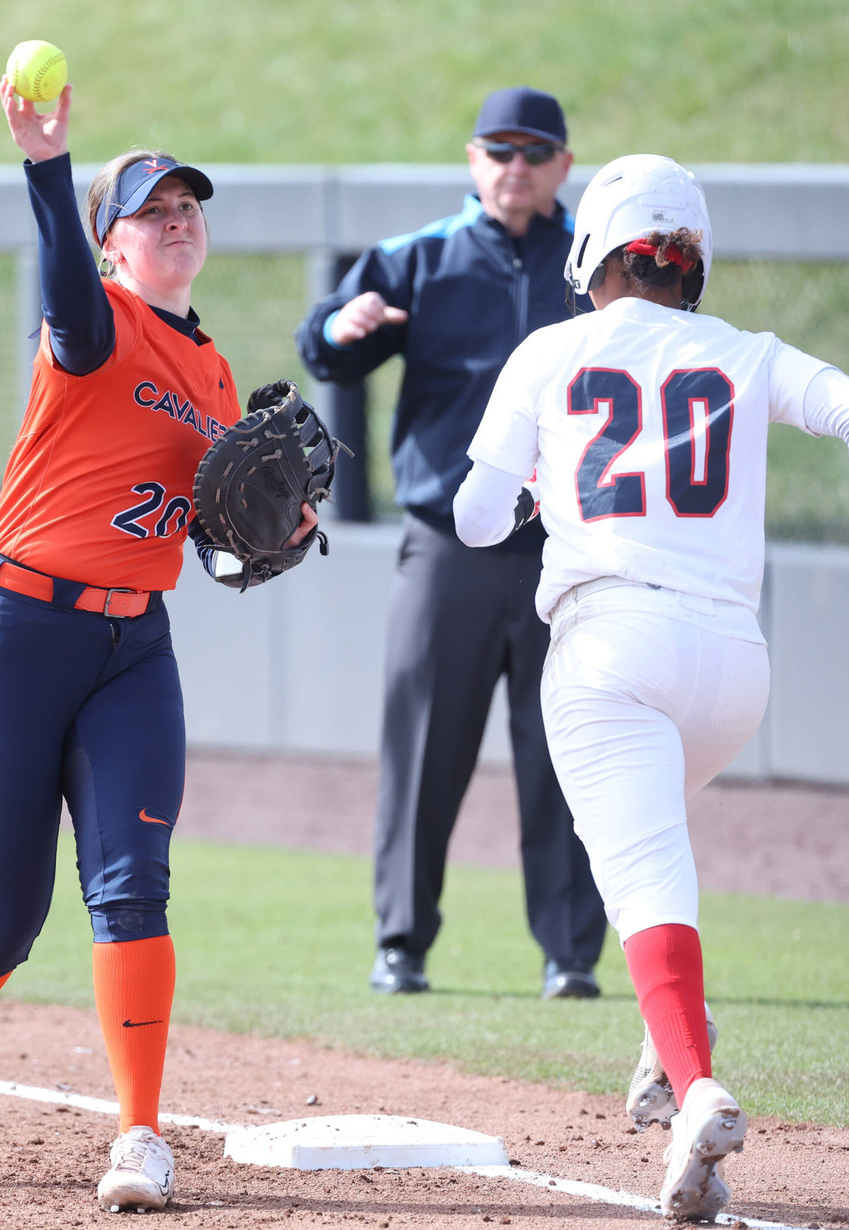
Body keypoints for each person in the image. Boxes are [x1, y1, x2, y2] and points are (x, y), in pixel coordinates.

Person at [0, 79, 319, 1213]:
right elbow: (64, 288)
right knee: (1, 919)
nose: (176, 218)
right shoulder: (95, 322)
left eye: (188, 205)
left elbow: (213, 541)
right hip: (13, 632)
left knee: (133, 888)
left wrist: (271, 531)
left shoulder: (216, 375)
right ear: (115, 245)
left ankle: (141, 1135)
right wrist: (49, 171)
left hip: (132, 652)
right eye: (152, 207)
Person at [456, 153, 849, 1220]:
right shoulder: (746, 352)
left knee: (644, 877)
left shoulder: (551, 349)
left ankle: (697, 1084)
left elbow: (475, 520)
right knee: (653, 849)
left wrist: (533, 488)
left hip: (610, 642)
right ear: (691, 262)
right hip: (731, 662)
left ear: (594, 252)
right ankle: (667, 1059)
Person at [296, 87, 607, 999]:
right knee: (426, 748)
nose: (516, 165)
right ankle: (402, 942)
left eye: (535, 150)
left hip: (568, 547)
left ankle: (570, 953)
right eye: (500, 149)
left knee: (568, 750)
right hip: (448, 546)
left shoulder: (596, 271)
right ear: (474, 159)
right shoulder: (416, 258)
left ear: (563, 164)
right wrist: (335, 326)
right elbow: (325, 343)